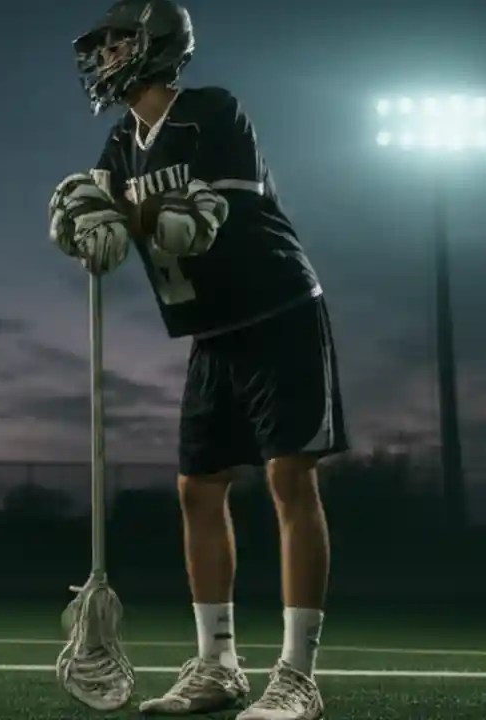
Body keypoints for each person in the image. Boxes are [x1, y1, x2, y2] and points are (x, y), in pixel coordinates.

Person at [47, 1, 349, 718]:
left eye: (118, 42)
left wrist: (133, 215)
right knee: (196, 490)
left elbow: (219, 213)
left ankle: (297, 677)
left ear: (156, 43)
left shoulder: (212, 111)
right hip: (212, 332)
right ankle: (218, 666)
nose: (105, 57)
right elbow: (93, 209)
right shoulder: (123, 142)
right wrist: (83, 221)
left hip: (278, 311)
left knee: (288, 479)